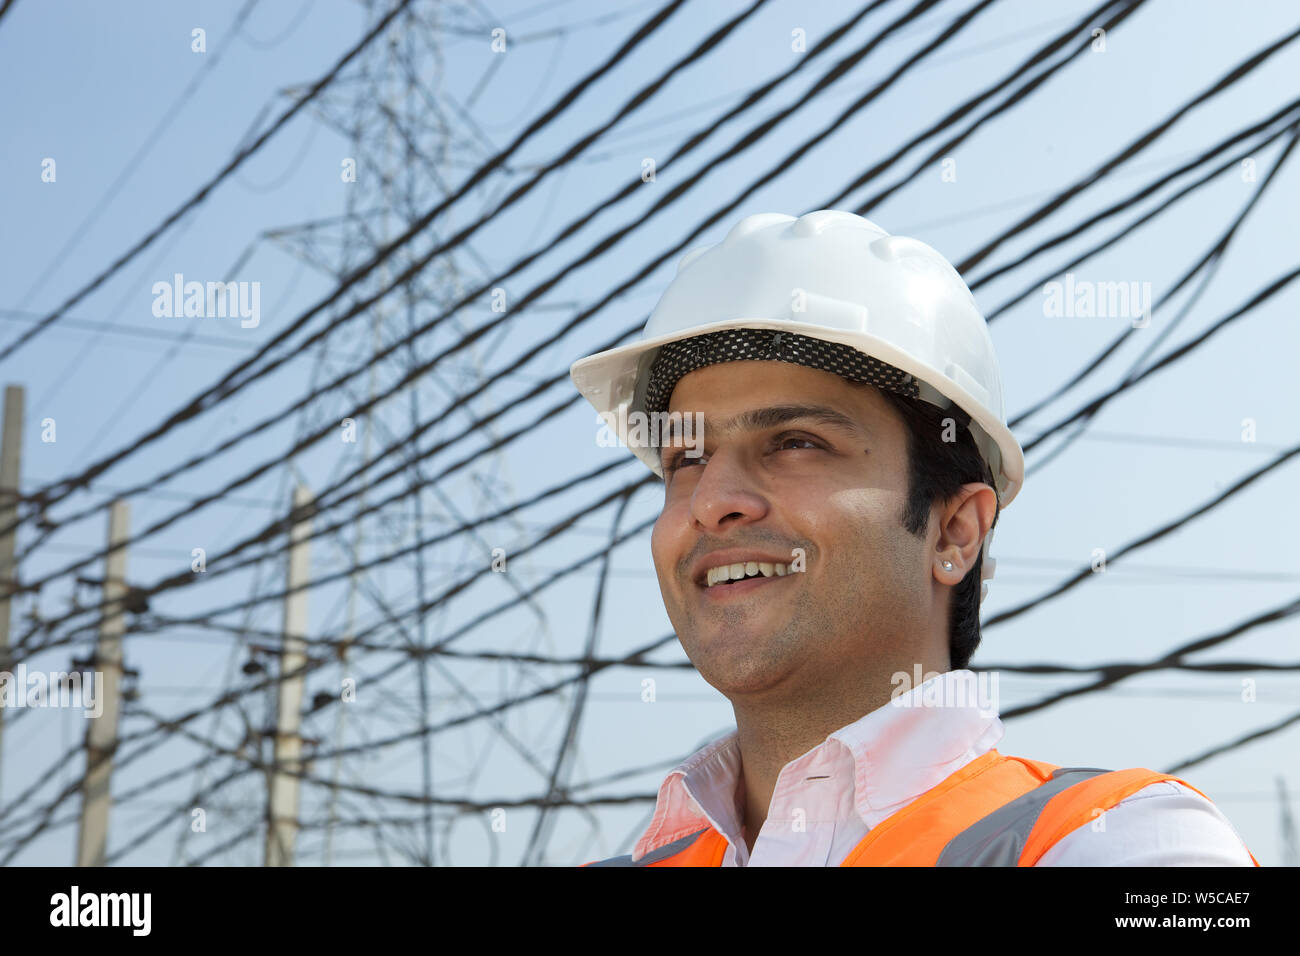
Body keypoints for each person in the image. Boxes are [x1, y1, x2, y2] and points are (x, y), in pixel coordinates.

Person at [568, 210, 1257, 866]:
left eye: (796, 442)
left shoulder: (1117, 842)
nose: (714, 501)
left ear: (955, 531)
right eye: (686, 460)